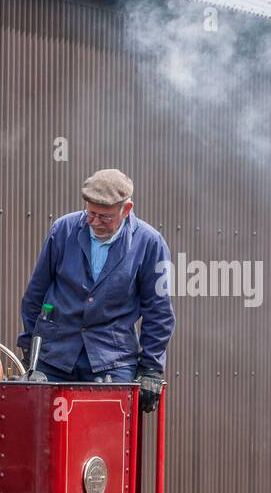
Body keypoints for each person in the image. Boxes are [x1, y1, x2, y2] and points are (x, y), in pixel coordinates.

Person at [17, 169, 174, 411]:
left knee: (107, 441)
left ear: (127, 209)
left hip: (112, 360)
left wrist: (151, 368)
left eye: (105, 217)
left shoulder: (150, 243)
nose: (95, 222)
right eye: (91, 214)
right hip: (56, 354)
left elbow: (159, 312)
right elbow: (35, 294)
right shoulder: (63, 230)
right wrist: (30, 347)